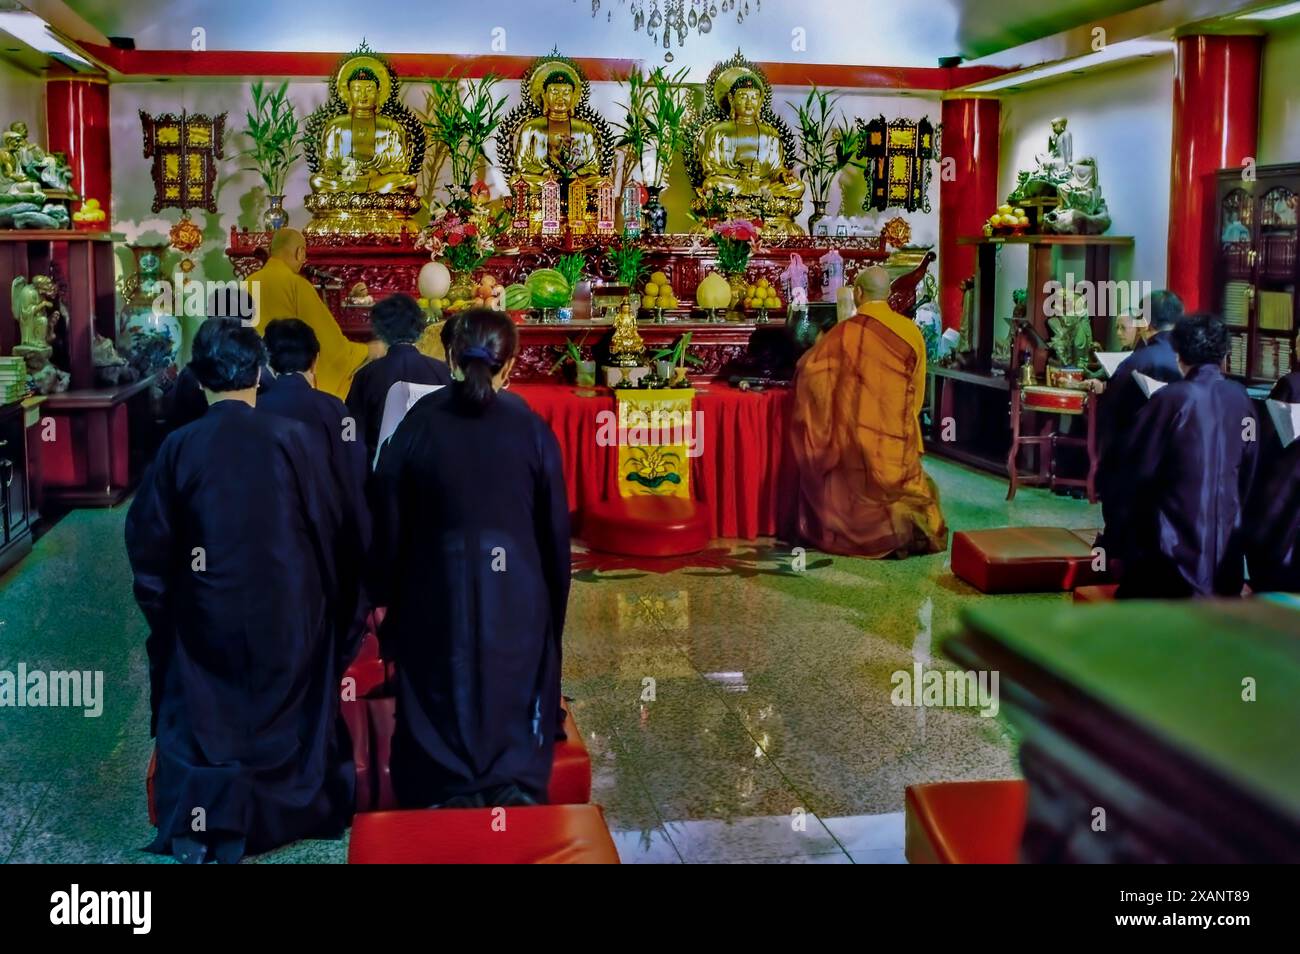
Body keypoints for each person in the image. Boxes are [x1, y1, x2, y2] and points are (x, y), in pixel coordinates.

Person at [125, 319, 355, 862]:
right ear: (260, 373)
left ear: (200, 378)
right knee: (293, 684)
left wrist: (171, 616)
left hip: (207, 616)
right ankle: (289, 806)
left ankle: (210, 811)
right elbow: (334, 531)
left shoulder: (180, 447)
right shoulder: (294, 439)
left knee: (201, 693)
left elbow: (149, 548)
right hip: (289, 617)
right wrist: (331, 611)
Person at [368, 309, 570, 808]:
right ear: (512, 363)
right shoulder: (532, 429)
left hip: (436, 591)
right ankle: (511, 782)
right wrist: (549, 628)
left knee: (437, 683)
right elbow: (554, 543)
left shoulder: (418, 424)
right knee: (511, 684)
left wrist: (388, 604)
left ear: (451, 357)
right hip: (518, 598)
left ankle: (441, 788)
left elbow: (387, 522)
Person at [788, 266, 947, 558]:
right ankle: (905, 529)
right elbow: (917, 389)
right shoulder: (911, 331)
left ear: (858, 294)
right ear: (888, 294)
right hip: (898, 438)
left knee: (846, 464)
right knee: (901, 486)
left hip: (857, 438)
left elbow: (811, 374)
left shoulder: (844, 333)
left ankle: (871, 533)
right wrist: (900, 422)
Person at [1117, 314, 1258, 598]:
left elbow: (1135, 470)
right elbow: (1250, 467)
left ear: (1178, 353)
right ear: (1225, 356)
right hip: (1227, 557)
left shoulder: (1169, 400)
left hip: (1171, 558)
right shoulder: (1242, 400)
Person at [259, 318, 371, 661]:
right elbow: (354, 479)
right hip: (324, 545)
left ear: (268, 361)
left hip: (267, 547)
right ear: (315, 360)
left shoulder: (255, 409)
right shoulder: (336, 410)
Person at [1091, 290, 1184, 556]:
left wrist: (1102, 468)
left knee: (1128, 537)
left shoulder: (1136, 362)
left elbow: (1113, 414)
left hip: (1135, 463)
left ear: (1145, 322)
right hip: (1178, 462)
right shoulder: (1186, 360)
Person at [244, 228, 370, 399]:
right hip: (288, 378)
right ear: (300, 253)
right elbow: (330, 343)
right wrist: (364, 351)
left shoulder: (246, 283)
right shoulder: (297, 285)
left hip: (253, 377)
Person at [346, 293, 451, 466]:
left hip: (379, 472)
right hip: (431, 471)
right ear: (419, 327)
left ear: (380, 330)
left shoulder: (366, 375)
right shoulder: (442, 371)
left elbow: (350, 427)